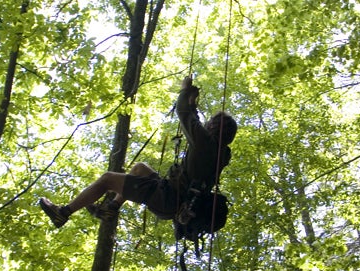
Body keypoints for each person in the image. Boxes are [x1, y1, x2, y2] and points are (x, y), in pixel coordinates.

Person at [39, 76, 237, 228]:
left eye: (210, 123)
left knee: (108, 179)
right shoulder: (220, 153)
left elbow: (183, 114)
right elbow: (195, 125)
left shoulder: (205, 144)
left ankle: (63, 213)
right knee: (140, 168)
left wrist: (185, 92)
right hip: (175, 197)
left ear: (213, 129)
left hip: (168, 198)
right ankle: (111, 208)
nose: (206, 124)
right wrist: (193, 105)